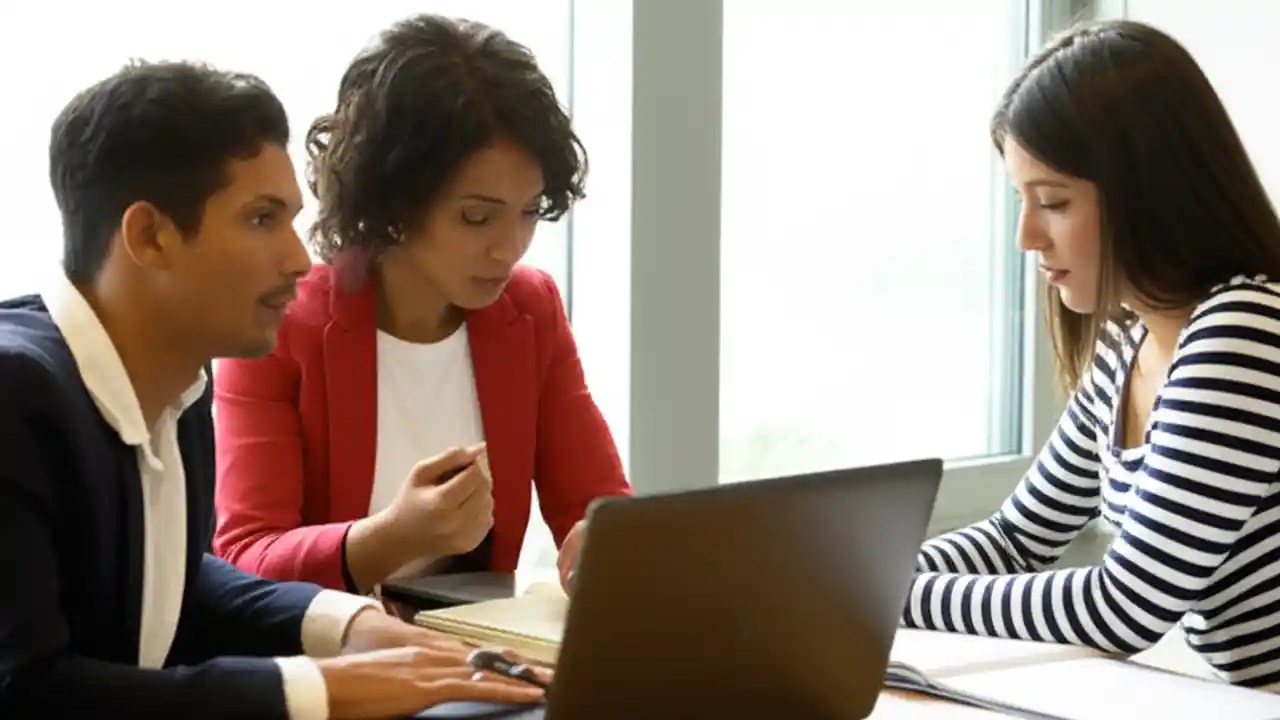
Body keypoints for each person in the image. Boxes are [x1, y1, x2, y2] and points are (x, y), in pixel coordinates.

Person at [0, 60, 546, 718]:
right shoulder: (15, 394)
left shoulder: (177, 383)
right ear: (149, 235)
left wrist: (349, 628)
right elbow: (27, 692)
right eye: (261, 220)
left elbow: (177, 580)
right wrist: (328, 689)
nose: (296, 258)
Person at [903, 19, 1280, 688]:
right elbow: (1017, 540)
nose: (1026, 237)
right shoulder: (1129, 339)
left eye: (1052, 202)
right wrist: (862, 583)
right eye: (1021, 201)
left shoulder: (1244, 333)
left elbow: (1122, 607)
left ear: (1150, 193)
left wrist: (888, 595)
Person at [211, 13, 630, 596]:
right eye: (476, 217)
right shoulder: (281, 323)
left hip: (475, 660)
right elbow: (243, 558)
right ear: (396, 200)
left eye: (530, 211)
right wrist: (391, 537)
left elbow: (599, 508)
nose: (510, 248)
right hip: (335, 663)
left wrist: (603, 542)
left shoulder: (532, 311)